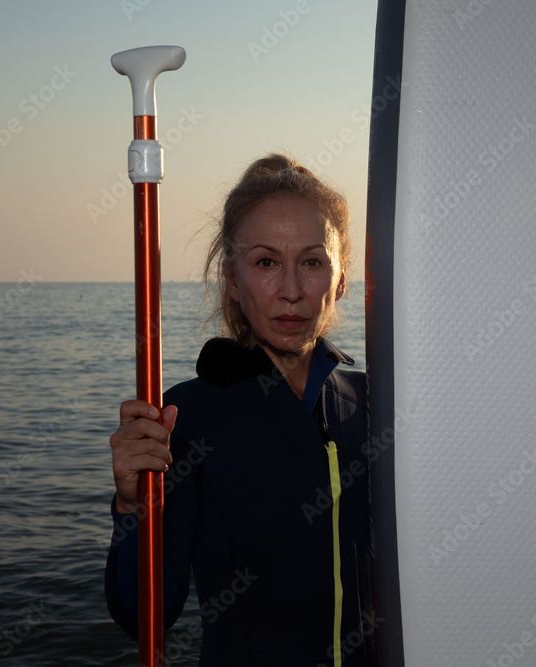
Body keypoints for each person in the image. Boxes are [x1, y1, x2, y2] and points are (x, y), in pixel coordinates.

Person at [105, 154, 377, 666]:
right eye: (266, 262)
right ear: (232, 279)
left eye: (312, 262)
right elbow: (144, 617)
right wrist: (130, 506)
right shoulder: (187, 417)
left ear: (341, 278)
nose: (291, 291)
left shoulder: (373, 403)